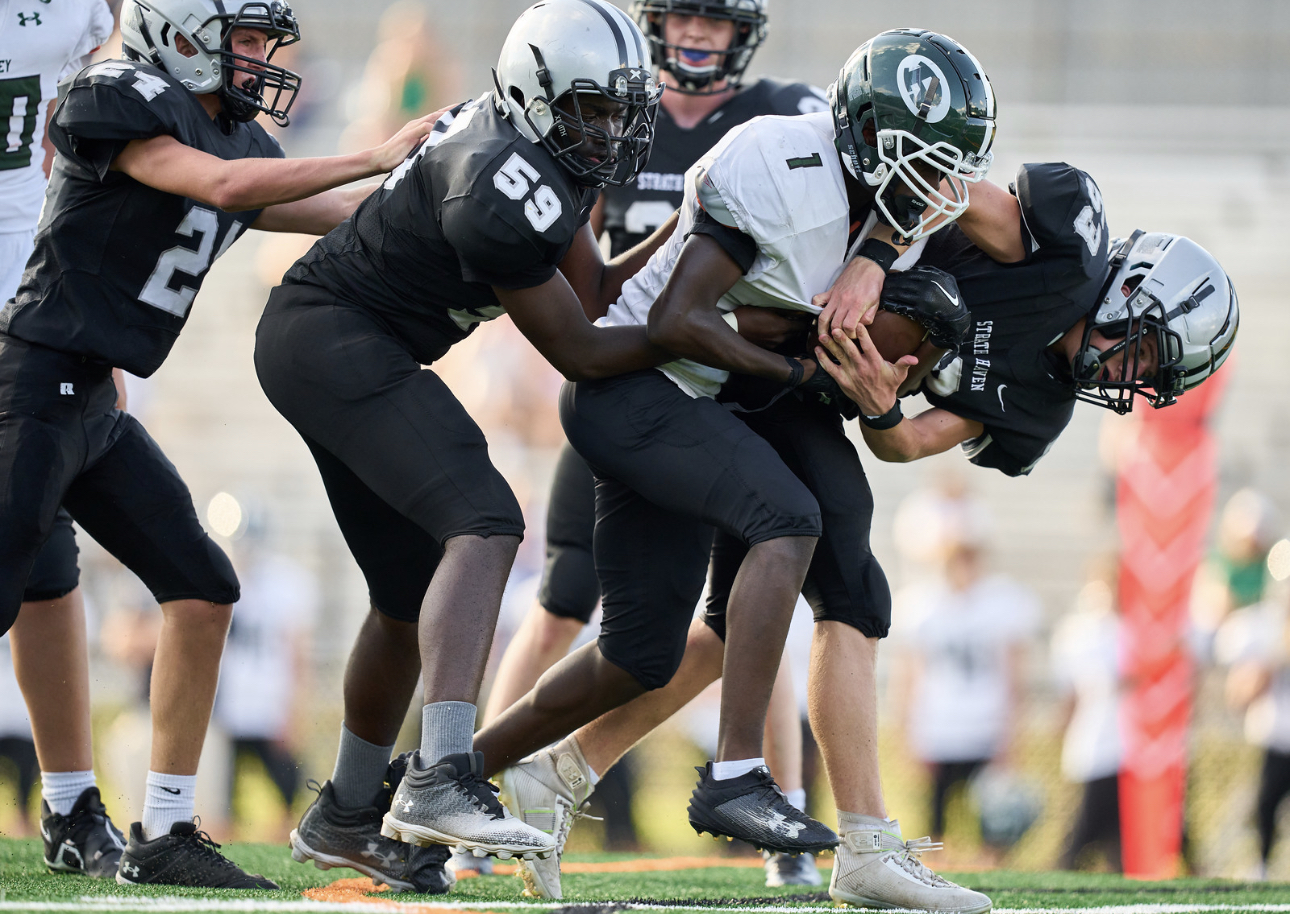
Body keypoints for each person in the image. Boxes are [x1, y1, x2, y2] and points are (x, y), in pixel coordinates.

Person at [493, 157, 1237, 909]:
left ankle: (554, 772)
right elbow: (935, 184)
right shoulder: (1060, 247)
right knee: (845, 575)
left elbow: (907, 443)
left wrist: (880, 407)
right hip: (768, 317)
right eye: (1142, 348)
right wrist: (872, 265)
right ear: (1130, 289)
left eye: (1148, 370)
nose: (1127, 372)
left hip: (808, 387)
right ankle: (864, 843)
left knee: (731, 630)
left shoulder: (1042, 407)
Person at [473, 28, 997, 907]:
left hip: (687, 399)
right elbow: (682, 316)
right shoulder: (785, 167)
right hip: (640, 387)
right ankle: (737, 771)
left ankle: (450, 777)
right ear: (871, 140)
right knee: (789, 519)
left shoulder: (875, 214)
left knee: (639, 656)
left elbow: (773, 315)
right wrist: (800, 372)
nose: (937, 188)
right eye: (922, 163)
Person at [0, 0, 444, 888]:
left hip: (92, 398)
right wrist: (375, 147)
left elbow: (334, 210)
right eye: (242, 41)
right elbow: (220, 189)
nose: (257, 61)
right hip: (28, 389)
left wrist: (446, 202)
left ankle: (164, 832)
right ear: (181, 37)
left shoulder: (239, 139)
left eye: (259, 44)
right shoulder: (113, 97)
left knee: (203, 588)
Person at [260, 0, 682, 893]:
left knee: (409, 598)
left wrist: (688, 234)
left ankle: (345, 813)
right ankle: (441, 774)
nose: (610, 128)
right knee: (486, 519)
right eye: (593, 108)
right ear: (537, 96)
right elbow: (581, 350)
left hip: (340, 341)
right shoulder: (500, 176)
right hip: (333, 337)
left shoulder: (543, 154)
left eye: (620, 107)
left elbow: (596, 290)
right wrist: (706, 333)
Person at [479, 0, 832, 887]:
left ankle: (771, 808)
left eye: (718, 21)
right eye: (685, 16)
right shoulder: (612, 109)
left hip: (722, 391)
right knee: (563, 596)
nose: (701, 34)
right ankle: (470, 799)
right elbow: (582, 276)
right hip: (633, 369)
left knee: (743, 607)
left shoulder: (783, 119)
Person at [890, 508, 1039, 859]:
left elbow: (1014, 675)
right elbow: (908, 677)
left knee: (995, 822)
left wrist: (1012, 733)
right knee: (935, 822)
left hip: (984, 725)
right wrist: (906, 731)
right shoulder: (922, 604)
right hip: (939, 726)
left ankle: (991, 881)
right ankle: (932, 882)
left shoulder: (1002, 601)